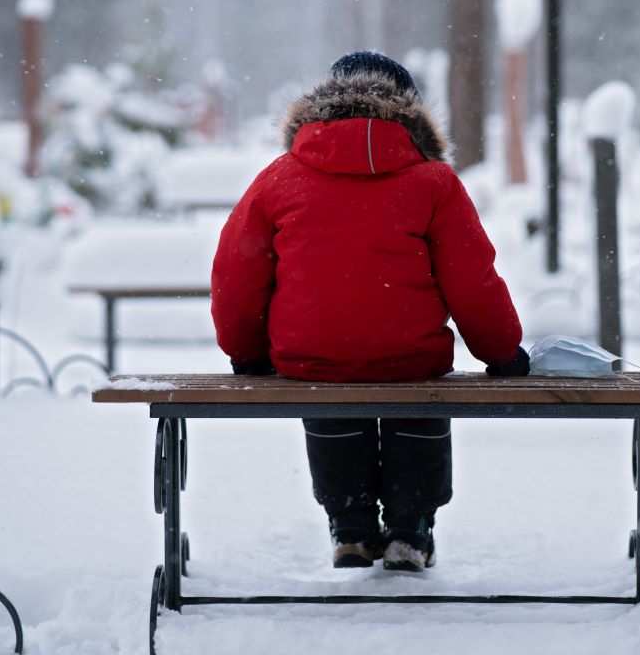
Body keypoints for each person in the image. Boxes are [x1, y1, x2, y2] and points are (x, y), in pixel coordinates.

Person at [211, 51, 529, 572]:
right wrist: (502, 352)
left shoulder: (279, 179)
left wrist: (246, 353)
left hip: (312, 357)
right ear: (410, 111)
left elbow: (236, 275)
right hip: (410, 356)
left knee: (327, 378)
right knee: (416, 385)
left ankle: (350, 524)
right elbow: (471, 279)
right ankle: (411, 526)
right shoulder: (432, 181)